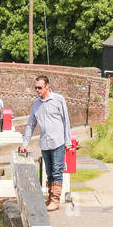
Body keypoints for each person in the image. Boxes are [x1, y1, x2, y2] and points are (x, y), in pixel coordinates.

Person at [19, 74, 72, 212]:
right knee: (49, 172)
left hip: (58, 142)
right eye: (35, 88)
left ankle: (55, 200)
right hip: (45, 143)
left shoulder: (59, 100)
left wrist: (68, 142)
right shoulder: (36, 104)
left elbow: (66, 121)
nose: (37, 90)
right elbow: (31, 124)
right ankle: (50, 198)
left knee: (57, 170)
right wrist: (25, 143)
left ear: (47, 86)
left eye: (40, 88)